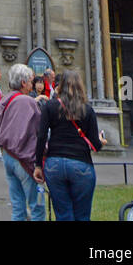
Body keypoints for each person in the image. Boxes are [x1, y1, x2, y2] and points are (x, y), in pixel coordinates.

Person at [33, 70, 105, 221]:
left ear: (61, 86)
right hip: (81, 163)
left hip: (55, 163)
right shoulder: (87, 110)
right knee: (82, 215)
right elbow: (96, 145)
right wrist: (101, 140)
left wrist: (38, 165)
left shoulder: (50, 106)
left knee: (63, 215)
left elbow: (41, 137)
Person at [0, 63, 45, 222]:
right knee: (37, 207)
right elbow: (39, 133)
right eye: (30, 81)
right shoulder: (28, 102)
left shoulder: (5, 99)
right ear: (23, 82)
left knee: (18, 206)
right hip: (24, 159)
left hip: (8, 156)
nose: (32, 84)